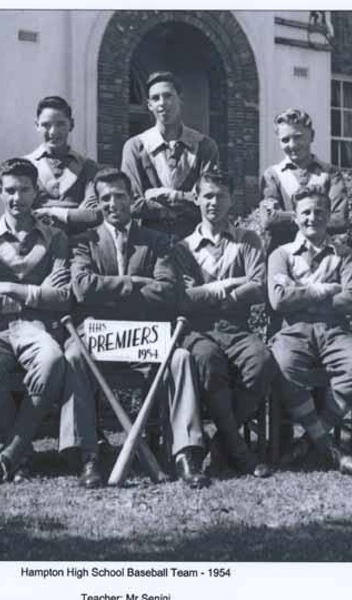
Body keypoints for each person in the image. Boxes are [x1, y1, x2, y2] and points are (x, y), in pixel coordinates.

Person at [60, 168, 209, 489]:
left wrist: (111, 292)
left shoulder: (158, 242)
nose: (113, 204)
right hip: (99, 336)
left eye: (120, 196)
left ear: (132, 199)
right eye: (106, 198)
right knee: (73, 355)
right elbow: (83, 288)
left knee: (181, 358)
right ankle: (88, 455)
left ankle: (185, 453)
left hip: (146, 336)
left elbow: (168, 291)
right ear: (98, 204)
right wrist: (136, 284)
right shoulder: (83, 242)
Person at [0, 158, 70, 484]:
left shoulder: (55, 238)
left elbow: (63, 296)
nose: (17, 198)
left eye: (24, 189)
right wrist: (36, 296)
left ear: (36, 191)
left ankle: (9, 453)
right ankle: (20, 451)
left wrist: (10, 288)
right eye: (10, 190)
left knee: (52, 359)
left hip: (36, 329)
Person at [173, 168, 276, 478]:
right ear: (196, 199)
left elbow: (259, 287)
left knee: (262, 362)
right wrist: (232, 284)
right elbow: (186, 298)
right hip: (198, 330)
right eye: (207, 196)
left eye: (220, 196)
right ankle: (241, 453)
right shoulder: (183, 247)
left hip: (237, 327)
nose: (213, 203)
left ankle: (219, 443)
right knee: (207, 359)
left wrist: (217, 294)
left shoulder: (248, 240)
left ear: (231, 200)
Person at [268, 185, 352, 475]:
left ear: (328, 216)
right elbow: (279, 300)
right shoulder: (281, 254)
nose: (312, 218)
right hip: (293, 331)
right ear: (296, 218)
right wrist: (324, 291)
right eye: (306, 212)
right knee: (282, 367)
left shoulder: (345, 254)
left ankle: (310, 438)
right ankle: (328, 447)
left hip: (335, 331)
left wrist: (300, 294)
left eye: (319, 212)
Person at [121, 71, 219, 242]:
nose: (162, 103)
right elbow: (131, 203)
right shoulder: (135, 147)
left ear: (180, 99)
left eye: (168, 96)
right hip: (148, 242)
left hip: (194, 241)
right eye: (155, 98)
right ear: (149, 105)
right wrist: (170, 210)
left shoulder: (204, 146)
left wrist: (168, 195)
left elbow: (209, 199)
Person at [258, 108, 347, 257]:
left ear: (311, 136)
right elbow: (270, 220)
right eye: (285, 140)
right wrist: (317, 218)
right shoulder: (273, 175)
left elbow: (340, 220)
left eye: (298, 137)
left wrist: (288, 217)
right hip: (284, 255)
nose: (292, 145)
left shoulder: (330, 173)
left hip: (325, 254)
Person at [24, 95, 102, 236]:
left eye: (60, 124)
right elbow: (21, 214)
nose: (53, 132)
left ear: (71, 124)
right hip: (35, 244)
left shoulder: (88, 167)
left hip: (78, 247)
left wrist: (49, 211)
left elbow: (94, 215)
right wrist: (75, 212)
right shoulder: (25, 166)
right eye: (46, 125)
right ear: (37, 125)